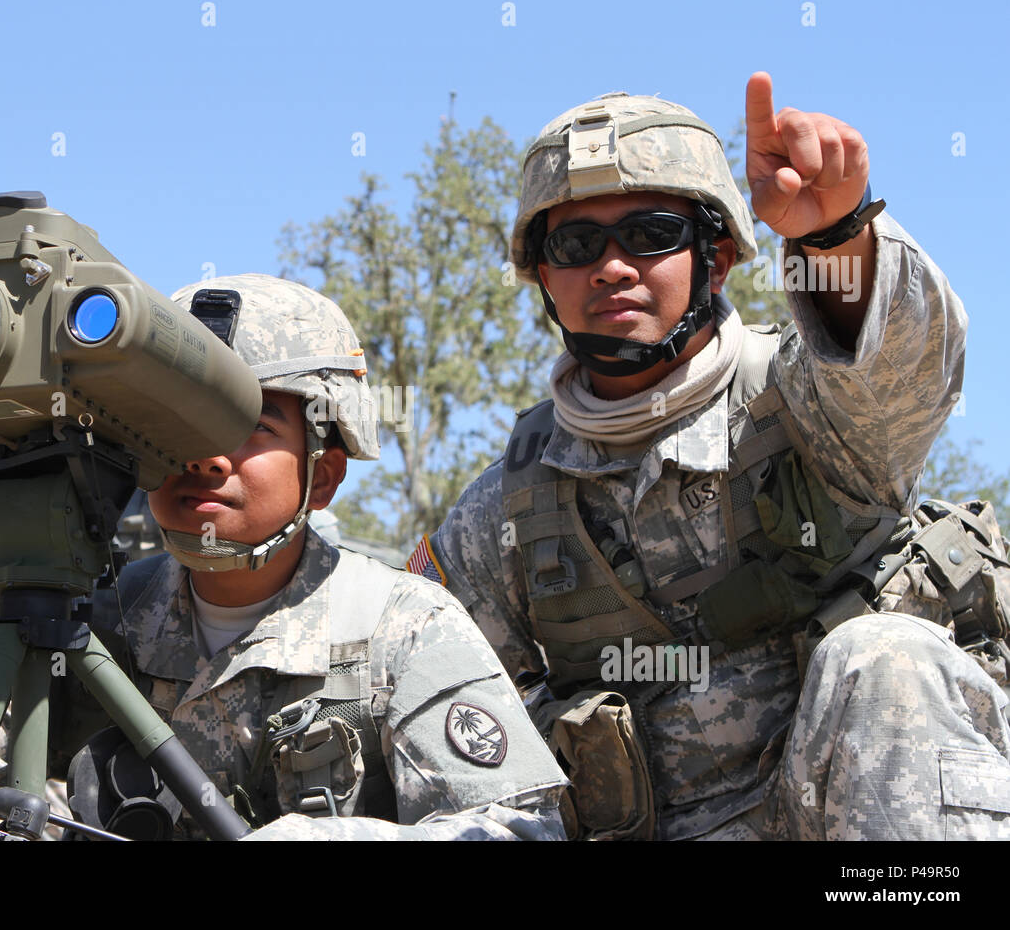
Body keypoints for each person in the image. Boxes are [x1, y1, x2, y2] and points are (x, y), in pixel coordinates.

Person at [412, 73, 1010, 840]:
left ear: (717, 258)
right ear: (544, 280)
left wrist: (837, 241)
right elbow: (426, 701)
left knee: (886, 657)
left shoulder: (800, 402)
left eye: (652, 233)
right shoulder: (506, 510)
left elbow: (903, 372)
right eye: (575, 243)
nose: (612, 266)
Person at [0, 272, 568, 840]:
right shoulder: (95, 615)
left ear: (326, 473)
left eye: (252, 425)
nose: (210, 457)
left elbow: (523, 827)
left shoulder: (400, 625)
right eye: (178, 422)